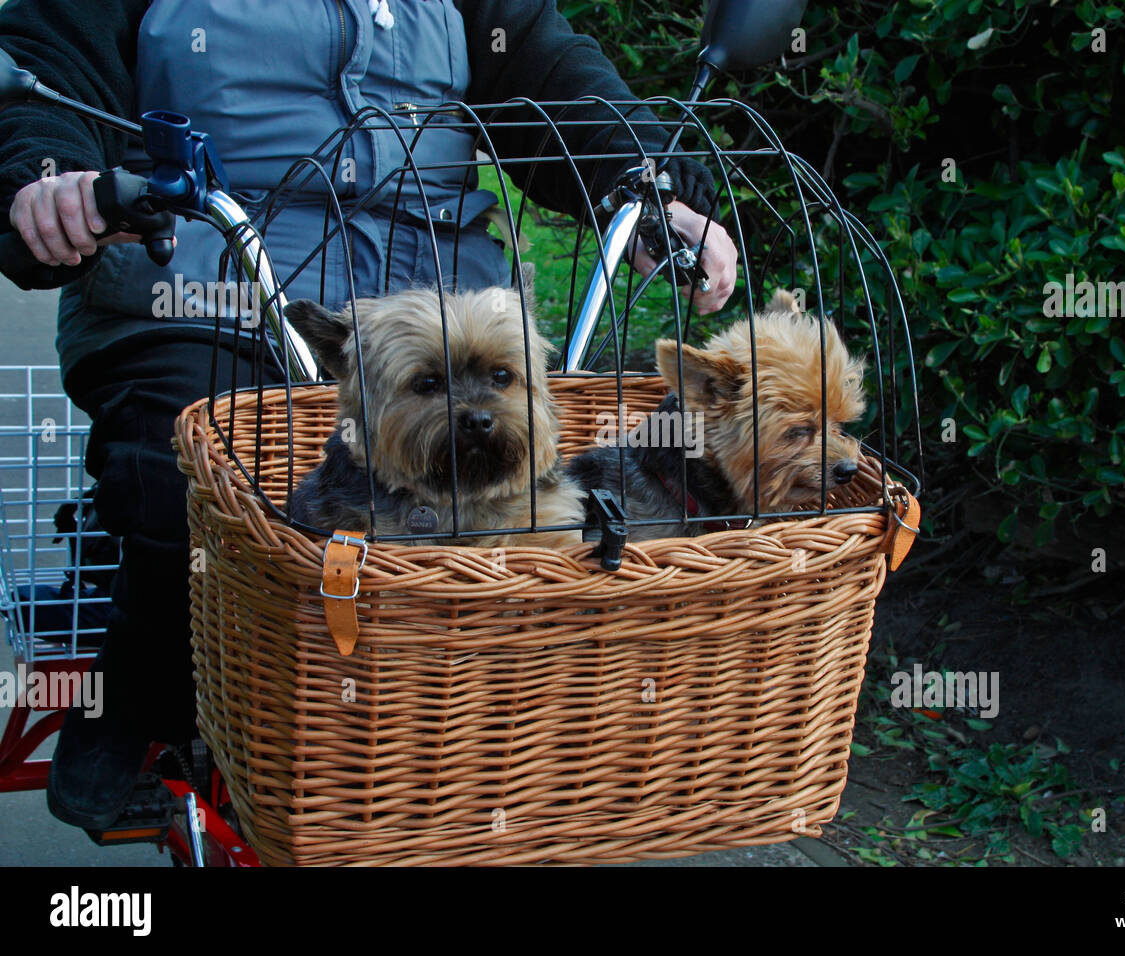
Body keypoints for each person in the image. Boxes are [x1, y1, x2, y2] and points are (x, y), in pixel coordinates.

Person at [0, 0, 737, 831]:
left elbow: (543, 62)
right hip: (207, 279)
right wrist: (46, 174)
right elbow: (51, 58)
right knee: (189, 478)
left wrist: (642, 180)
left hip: (439, 288)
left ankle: (525, 724)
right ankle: (144, 689)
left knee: (545, 505)